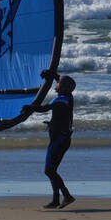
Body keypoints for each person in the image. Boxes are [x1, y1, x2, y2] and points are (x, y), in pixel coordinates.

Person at [33, 74, 75, 209]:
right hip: (62, 138)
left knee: (49, 170)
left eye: (58, 84)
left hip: (59, 140)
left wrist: (28, 108)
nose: (56, 85)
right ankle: (56, 200)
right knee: (52, 170)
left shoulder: (61, 100)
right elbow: (63, 83)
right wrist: (55, 76)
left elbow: (44, 108)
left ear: (63, 87)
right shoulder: (68, 96)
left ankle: (67, 196)